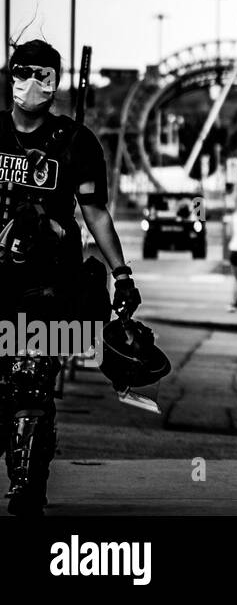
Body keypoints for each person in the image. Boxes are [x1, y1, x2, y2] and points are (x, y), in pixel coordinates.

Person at [0, 39, 141, 516]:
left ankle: (26, 486)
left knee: (31, 383)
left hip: (46, 286)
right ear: (11, 76)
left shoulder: (75, 142)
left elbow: (95, 212)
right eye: (24, 72)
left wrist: (122, 273)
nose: (32, 83)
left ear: (57, 83)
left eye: (44, 75)